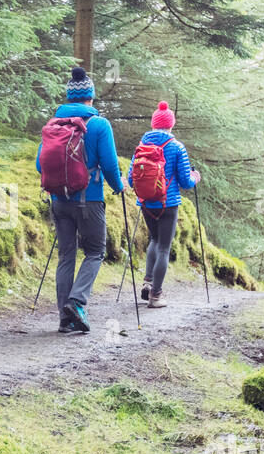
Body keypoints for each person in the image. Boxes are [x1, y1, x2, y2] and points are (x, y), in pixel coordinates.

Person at [36, 66, 124, 334]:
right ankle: (77, 302)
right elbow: (109, 164)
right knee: (95, 251)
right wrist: (118, 187)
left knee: (66, 256)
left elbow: (41, 166)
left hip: (59, 200)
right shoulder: (99, 125)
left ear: (69, 98)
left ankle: (65, 319)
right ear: (91, 98)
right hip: (90, 201)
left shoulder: (53, 124)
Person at [127, 101, 200, 309]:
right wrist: (195, 177)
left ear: (153, 124)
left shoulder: (141, 146)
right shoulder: (177, 147)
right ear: (170, 126)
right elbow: (186, 182)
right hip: (168, 204)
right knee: (164, 248)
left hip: (146, 203)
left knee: (154, 240)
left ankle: (148, 282)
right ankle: (156, 296)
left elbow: (132, 180)